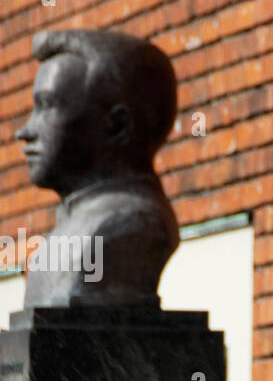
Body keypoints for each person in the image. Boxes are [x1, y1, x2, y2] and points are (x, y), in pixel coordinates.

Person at [17, 29, 179, 307]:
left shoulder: (128, 225)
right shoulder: (72, 227)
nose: (24, 131)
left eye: (46, 106)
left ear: (116, 126)